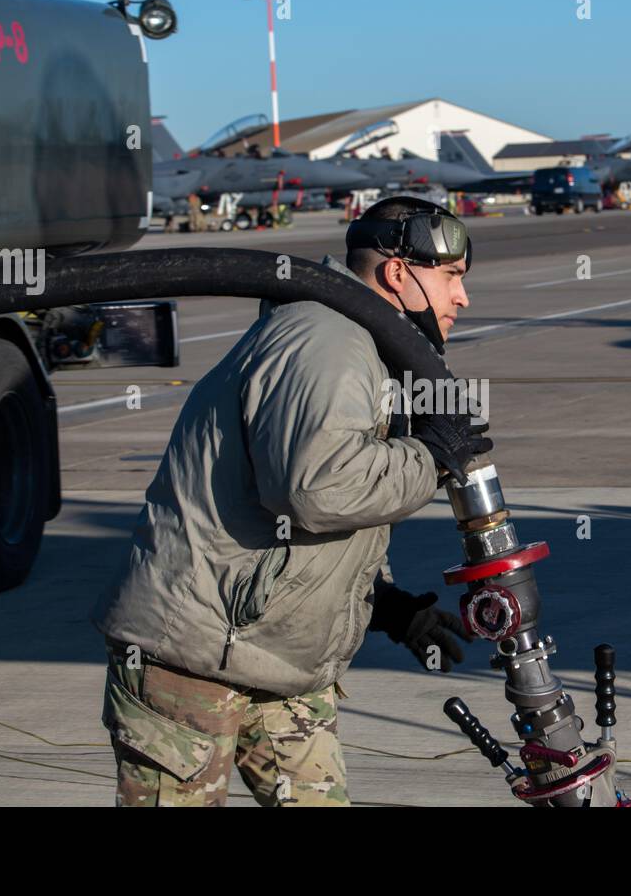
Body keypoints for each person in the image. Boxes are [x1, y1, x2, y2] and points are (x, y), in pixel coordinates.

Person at [92, 196, 490, 807]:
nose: (462, 298)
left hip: (279, 664)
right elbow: (318, 489)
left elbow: (307, 518)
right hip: (194, 661)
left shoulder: (361, 345)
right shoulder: (325, 339)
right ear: (397, 273)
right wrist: (434, 458)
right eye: (452, 278)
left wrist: (383, 603)